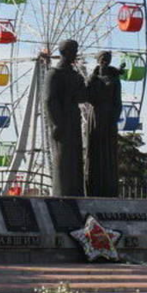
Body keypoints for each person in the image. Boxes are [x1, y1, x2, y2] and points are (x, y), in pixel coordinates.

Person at [44, 39, 87, 197]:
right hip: (62, 121)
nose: (76, 54)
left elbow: (82, 96)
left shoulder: (75, 76)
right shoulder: (53, 74)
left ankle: (76, 193)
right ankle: (61, 193)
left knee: (75, 159)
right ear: (66, 52)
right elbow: (49, 99)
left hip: (74, 120)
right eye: (74, 51)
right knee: (62, 160)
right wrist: (55, 123)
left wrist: (90, 81)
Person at [85, 51, 122, 197]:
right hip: (95, 115)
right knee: (93, 149)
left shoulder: (114, 79)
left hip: (108, 116)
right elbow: (85, 92)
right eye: (102, 59)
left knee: (108, 151)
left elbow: (118, 102)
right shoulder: (93, 79)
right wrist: (93, 75)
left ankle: (109, 185)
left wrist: (114, 118)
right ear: (98, 60)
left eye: (107, 59)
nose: (105, 61)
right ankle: (93, 185)